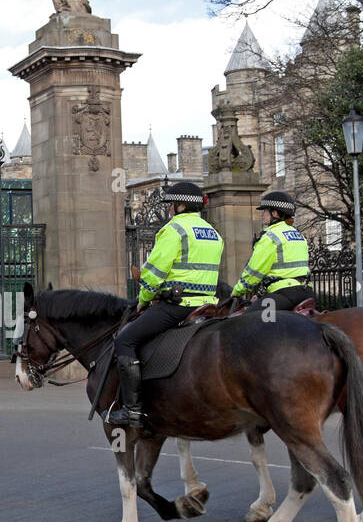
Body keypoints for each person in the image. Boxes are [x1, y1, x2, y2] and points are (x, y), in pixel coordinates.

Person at [106, 182, 223, 428]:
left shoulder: (174, 230)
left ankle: (133, 410)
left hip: (178, 305)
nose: (169, 209)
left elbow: (151, 275)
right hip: (209, 305)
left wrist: (143, 301)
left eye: (171, 204)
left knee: (125, 340)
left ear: (180, 205)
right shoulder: (213, 232)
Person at [229, 190, 314, 312]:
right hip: (306, 293)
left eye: (265, 211)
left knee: (246, 320)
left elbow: (255, 272)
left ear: (275, 213)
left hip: (284, 295)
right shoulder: (299, 235)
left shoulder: (270, 236)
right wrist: (259, 295)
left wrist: (237, 291)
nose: (263, 214)